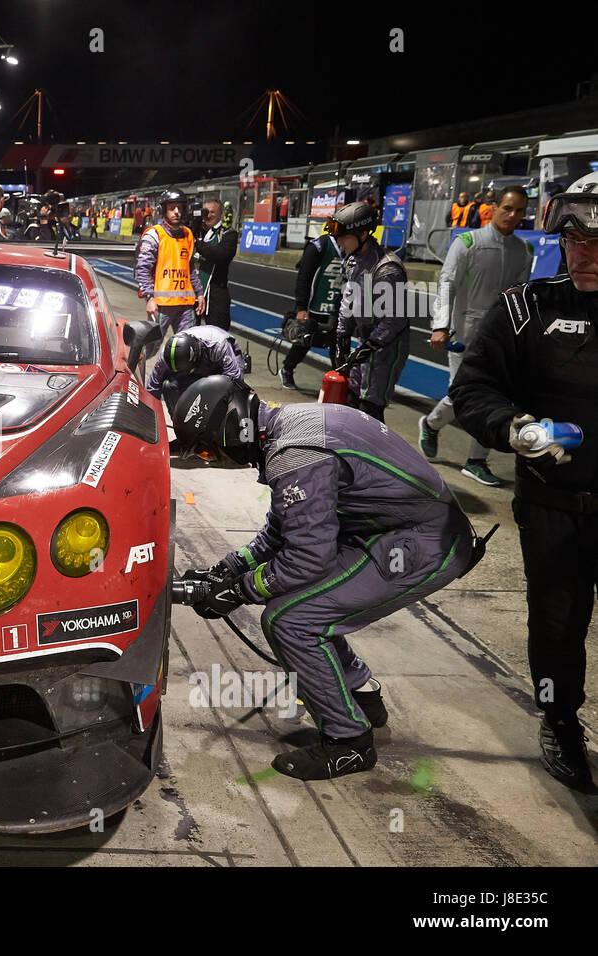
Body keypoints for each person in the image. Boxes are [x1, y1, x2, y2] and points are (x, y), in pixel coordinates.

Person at [173, 375, 477, 780]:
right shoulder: (289, 426)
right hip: (392, 530)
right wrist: (231, 566)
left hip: (423, 544)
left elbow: (306, 559)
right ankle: (362, 697)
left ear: (230, 429)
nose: (217, 461)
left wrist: (242, 591)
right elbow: (286, 528)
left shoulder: (295, 455)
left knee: (290, 620)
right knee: (310, 606)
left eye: (210, 452)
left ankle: (349, 742)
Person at [449, 170, 598, 789]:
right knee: (557, 622)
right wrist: (511, 427)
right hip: (554, 503)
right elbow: (472, 387)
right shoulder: (524, 308)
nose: (587, 253)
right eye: (576, 239)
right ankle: (559, 719)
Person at [419, 186, 532, 487]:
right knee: (463, 396)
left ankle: (476, 460)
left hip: (500, 338)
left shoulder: (523, 250)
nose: (512, 215)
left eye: (519, 210)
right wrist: (440, 325)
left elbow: (520, 296)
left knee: (490, 398)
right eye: (507, 208)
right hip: (463, 335)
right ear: (493, 207)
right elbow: (447, 284)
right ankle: (430, 424)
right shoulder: (468, 242)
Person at [332, 201, 408, 422]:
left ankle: (376, 454)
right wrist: (342, 335)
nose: (339, 242)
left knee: (370, 408)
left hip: (386, 345)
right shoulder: (354, 260)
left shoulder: (387, 269)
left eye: (343, 237)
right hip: (365, 340)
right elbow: (349, 299)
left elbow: (394, 320)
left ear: (363, 233)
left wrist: (369, 346)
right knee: (352, 400)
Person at [281, 227, 346, 390]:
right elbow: (304, 276)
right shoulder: (319, 246)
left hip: (338, 308)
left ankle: (339, 382)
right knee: (305, 341)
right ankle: (287, 369)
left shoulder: (352, 249)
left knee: (340, 345)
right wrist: (301, 307)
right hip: (315, 306)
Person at [135, 187, 199, 337]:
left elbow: (190, 268)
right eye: (171, 208)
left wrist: (200, 293)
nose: (177, 211)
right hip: (161, 305)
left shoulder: (188, 234)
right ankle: (134, 361)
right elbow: (142, 269)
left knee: (188, 349)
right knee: (150, 347)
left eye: (179, 207)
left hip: (186, 305)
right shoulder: (155, 234)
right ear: (163, 210)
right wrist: (149, 298)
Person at [147, 325, 246, 410]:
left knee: (234, 397)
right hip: (198, 364)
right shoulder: (165, 356)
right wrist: (150, 413)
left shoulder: (218, 346)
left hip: (222, 362)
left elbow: (234, 381)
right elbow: (153, 386)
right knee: (170, 386)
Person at [193, 199, 239, 331]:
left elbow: (221, 256)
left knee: (218, 337)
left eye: (212, 212)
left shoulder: (228, 233)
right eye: (205, 212)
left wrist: (197, 242)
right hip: (193, 294)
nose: (208, 215)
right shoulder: (195, 230)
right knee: (188, 337)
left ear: (219, 214)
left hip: (216, 294)